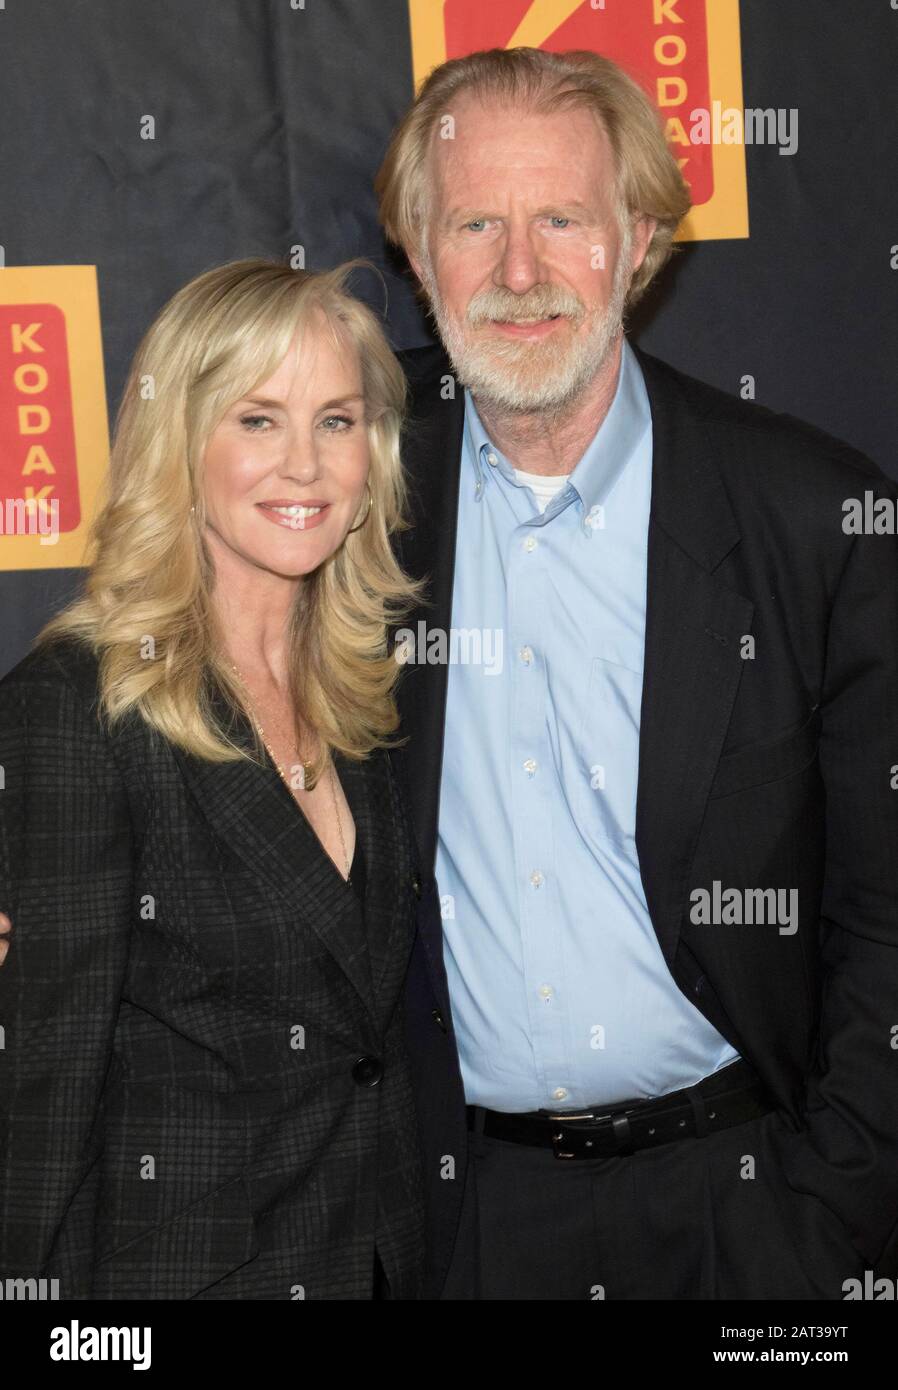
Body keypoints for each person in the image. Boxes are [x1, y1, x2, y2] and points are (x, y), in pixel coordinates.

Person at [374, 46, 898, 1298]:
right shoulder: (347, 489)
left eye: (561, 219)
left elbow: (886, 917)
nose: (517, 272)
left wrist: (825, 1214)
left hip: (748, 1211)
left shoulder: (812, 519)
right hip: (458, 1224)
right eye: (475, 224)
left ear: (641, 237)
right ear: (413, 247)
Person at [0, 258, 429, 1300]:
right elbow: (41, 1090)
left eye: (335, 421)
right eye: (256, 420)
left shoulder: (371, 688)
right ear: (179, 444)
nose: (305, 464)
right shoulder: (82, 706)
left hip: (381, 1262)